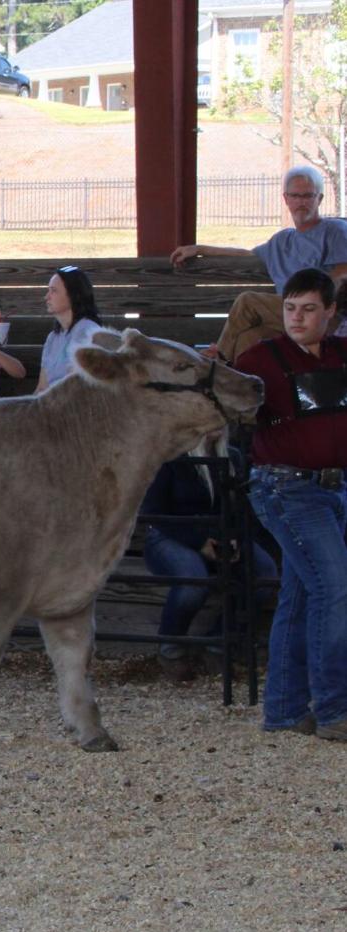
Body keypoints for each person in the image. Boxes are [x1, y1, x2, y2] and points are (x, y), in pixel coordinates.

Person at [231, 266, 347, 740]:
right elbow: (227, 402)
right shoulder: (259, 359)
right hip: (285, 487)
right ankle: (334, 710)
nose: (297, 318)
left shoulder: (341, 355)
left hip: (333, 488)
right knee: (335, 589)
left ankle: (283, 709)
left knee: (301, 594)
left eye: (309, 309)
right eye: (290, 308)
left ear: (331, 312)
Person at [172, 165, 347, 363]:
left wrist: (316, 297)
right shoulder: (281, 241)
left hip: (322, 317)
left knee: (248, 301)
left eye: (308, 196)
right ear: (286, 199)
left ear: (319, 199)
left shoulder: (335, 230)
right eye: (295, 196)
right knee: (249, 338)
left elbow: (343, 271)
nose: (301, 202)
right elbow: (246, 255)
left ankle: (216, 360)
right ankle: (235, 379)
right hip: (286, 317)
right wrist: (200, 249)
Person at [138, 442, 277, 683]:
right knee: (193, 581)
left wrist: (235, 538)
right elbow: (155, 512)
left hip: (220, 533)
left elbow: (243, 508)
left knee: (264, 575)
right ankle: (171, 649)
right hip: (170, 534)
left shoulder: (232, 456)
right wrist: (200, 541)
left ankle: (218, 643)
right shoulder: (170, 454)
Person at [34, 265, 107, 392]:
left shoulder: (89, 333)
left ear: (73, 295)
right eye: (48, 290)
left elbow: (76, 389)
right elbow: (41, 388)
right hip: (51, 401)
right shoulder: (53, 337)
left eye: (54, 291)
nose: (47, 297)